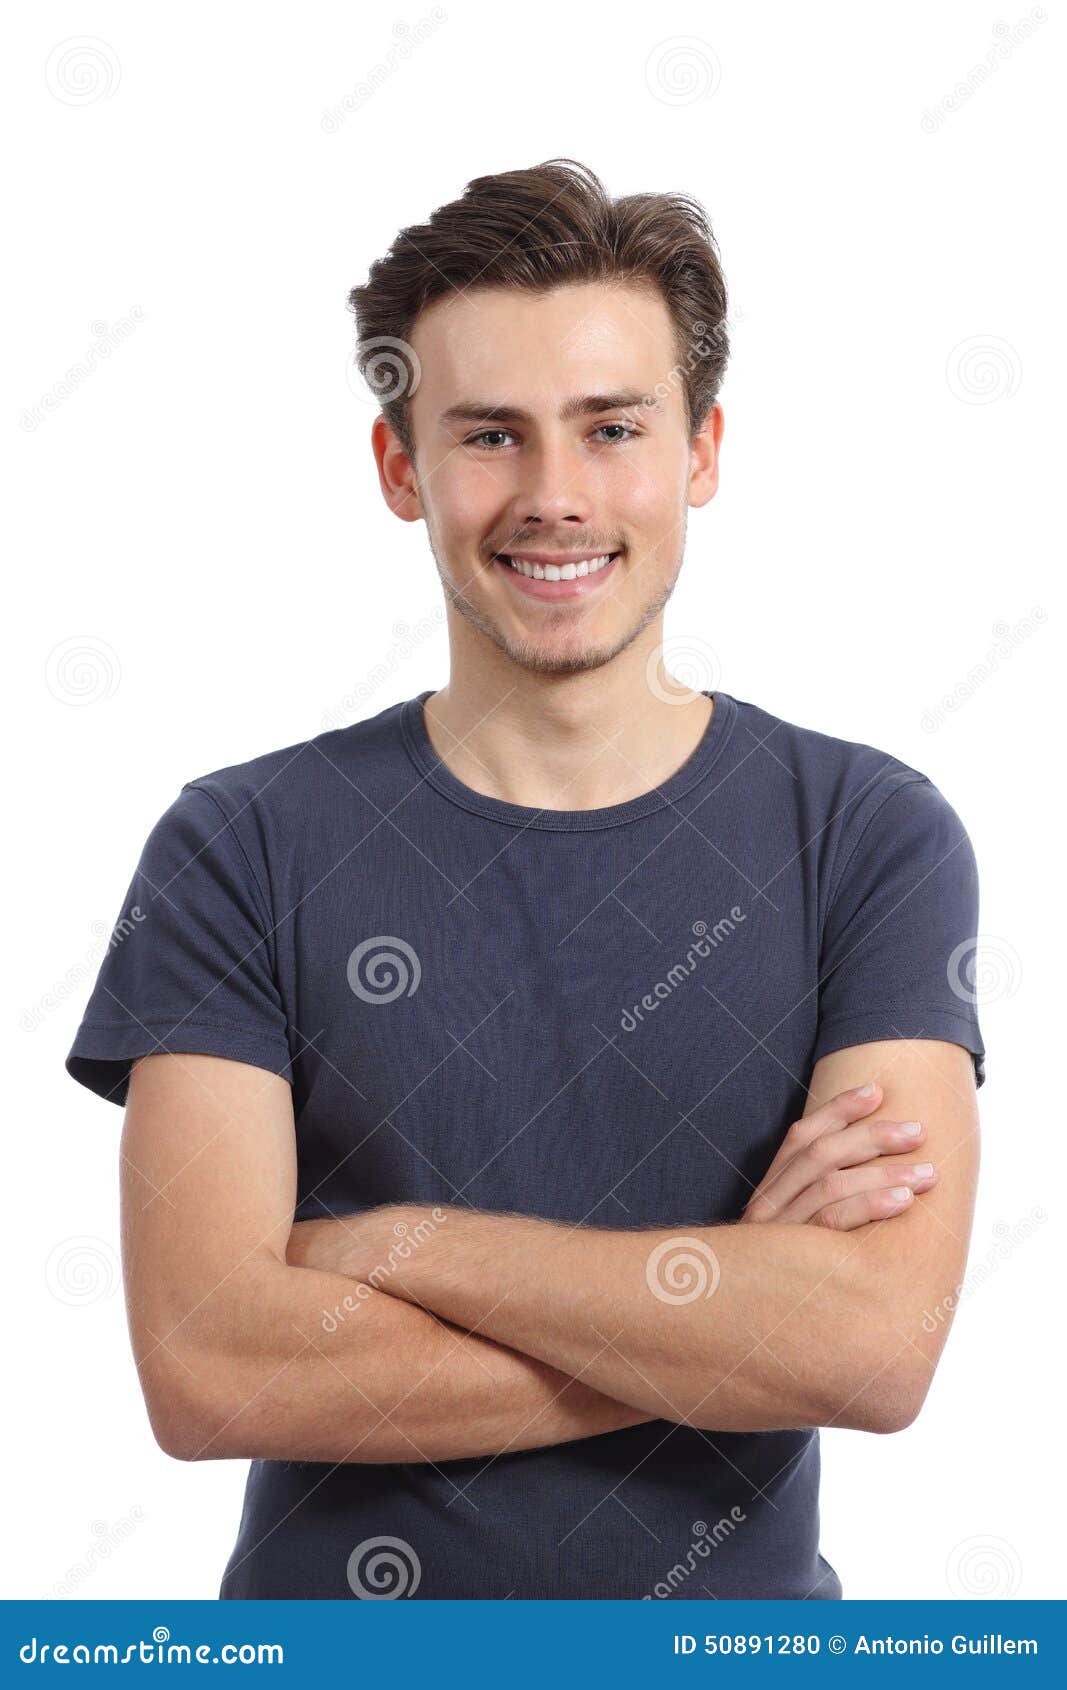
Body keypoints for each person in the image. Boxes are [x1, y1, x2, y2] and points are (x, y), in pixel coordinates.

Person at [65, 159, 985, 1601]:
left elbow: (872, 1345)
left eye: (612, 427)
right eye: (489, 434)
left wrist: (396, 1245)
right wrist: (725, 1305)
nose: (555, 497)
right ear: (399, 468)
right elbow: (211, 1369)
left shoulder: (867, 833)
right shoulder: (238, 844)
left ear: (701, 452)